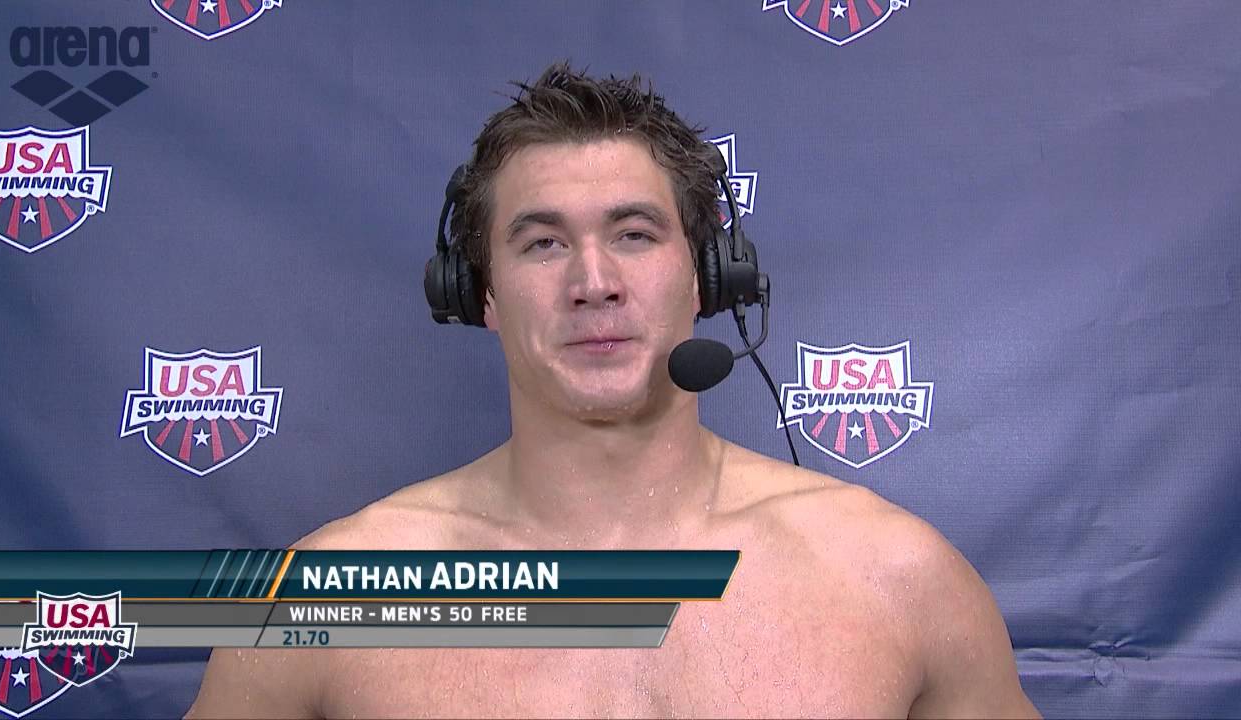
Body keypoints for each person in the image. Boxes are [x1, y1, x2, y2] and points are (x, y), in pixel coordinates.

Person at [186, 62, 1041, 719]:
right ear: (477, 293)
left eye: (634, 234)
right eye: (543, 244)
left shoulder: (898, 577)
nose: (594, 281)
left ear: (709, 277)